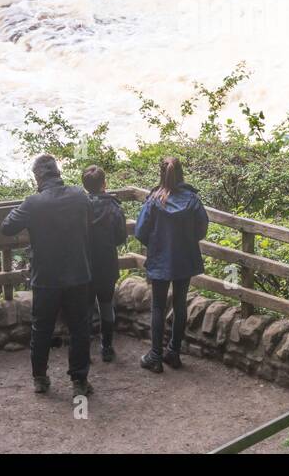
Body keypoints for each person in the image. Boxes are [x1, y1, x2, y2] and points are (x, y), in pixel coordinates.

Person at [0, 154, 94, 398]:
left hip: (46, 277)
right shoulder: (78, 196)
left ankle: (40, 378)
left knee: (41, 329)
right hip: (78, 274)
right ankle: (79, 381)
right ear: (58, 172)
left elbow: (7, 227)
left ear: (38, 176)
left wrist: (27, 208)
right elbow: (90, 222)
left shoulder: (34, 203)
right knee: (79, 329)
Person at [135, 157, 208, 373]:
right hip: (184, 259)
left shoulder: (154, 200)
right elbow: (201, 229)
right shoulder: (193, 200)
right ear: (181, 173)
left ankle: (155, 357)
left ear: (162, 174)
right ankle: (173, 353)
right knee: (179, 304)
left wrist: (156, 243)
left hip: (159, 260)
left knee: (158, 306)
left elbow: (140, 231)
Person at [81, 165, 127, 362]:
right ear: (104, 184)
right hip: (107, 264)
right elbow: (120, 237)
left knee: (85, 308)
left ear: (85, 186)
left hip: (84, 265)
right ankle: (107, 347)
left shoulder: (79, 207)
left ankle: (83, 349)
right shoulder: (113, 207)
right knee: (106, 305)